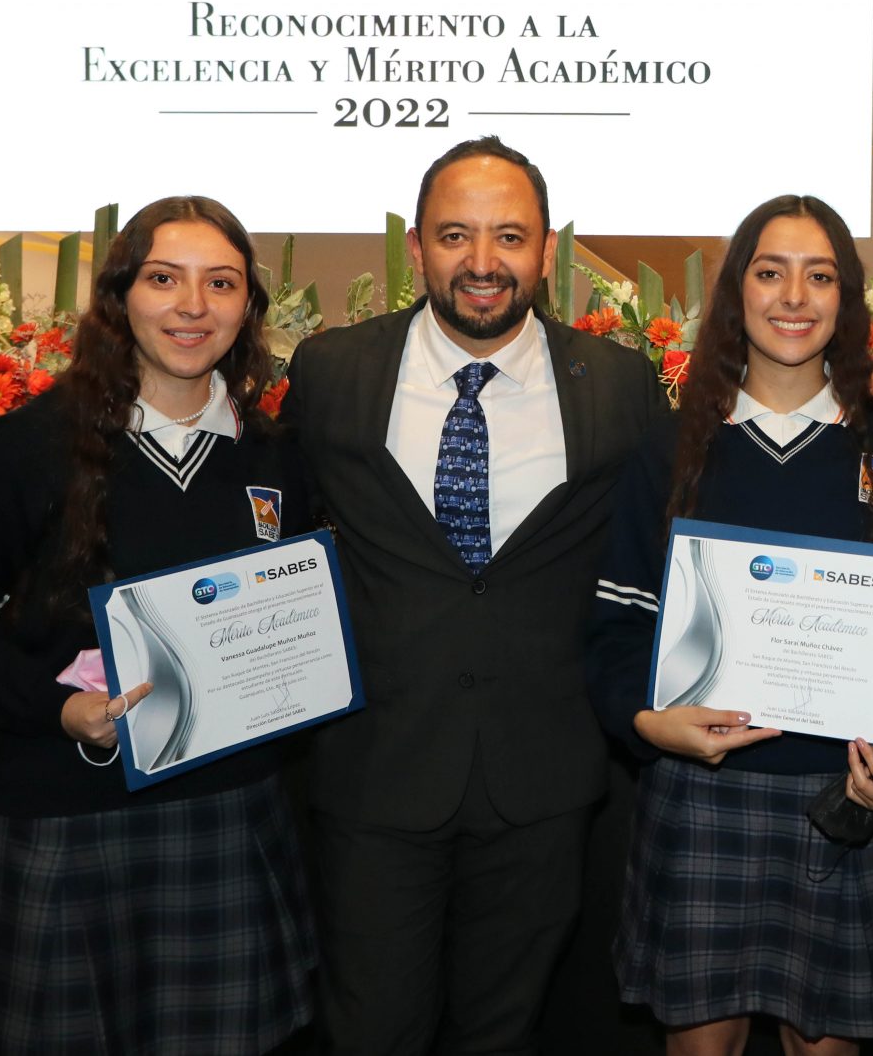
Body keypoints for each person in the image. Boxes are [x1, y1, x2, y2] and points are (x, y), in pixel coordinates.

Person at [0, 196, 318, 1054]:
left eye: (221, 283)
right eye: (164, 279)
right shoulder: (37, 444)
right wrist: (60, 709)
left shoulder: (275, 454)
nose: (192, 306)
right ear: (121, 296)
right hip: (69, 810)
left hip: (232, 815)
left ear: (248, 306)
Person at [280, 138, 668, 1054]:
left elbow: (666, 544)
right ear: (416, 248)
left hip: (542, 779)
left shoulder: (618, 385)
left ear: (548, 250)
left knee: (502, 1034)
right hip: (376, 770)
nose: (483, 262)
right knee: (371, 1034)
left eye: (510, 236)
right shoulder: (332, 372)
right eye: (456, 235)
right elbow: (276, 533)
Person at [586, 194, 873, 1055]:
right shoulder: (674, 445)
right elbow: (617, 625)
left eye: (819, 275)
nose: (794, 296)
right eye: (770, 272)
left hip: (847, 799)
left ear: (845, 300)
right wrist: (648, 721)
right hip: (700, 795)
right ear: (737, 291)